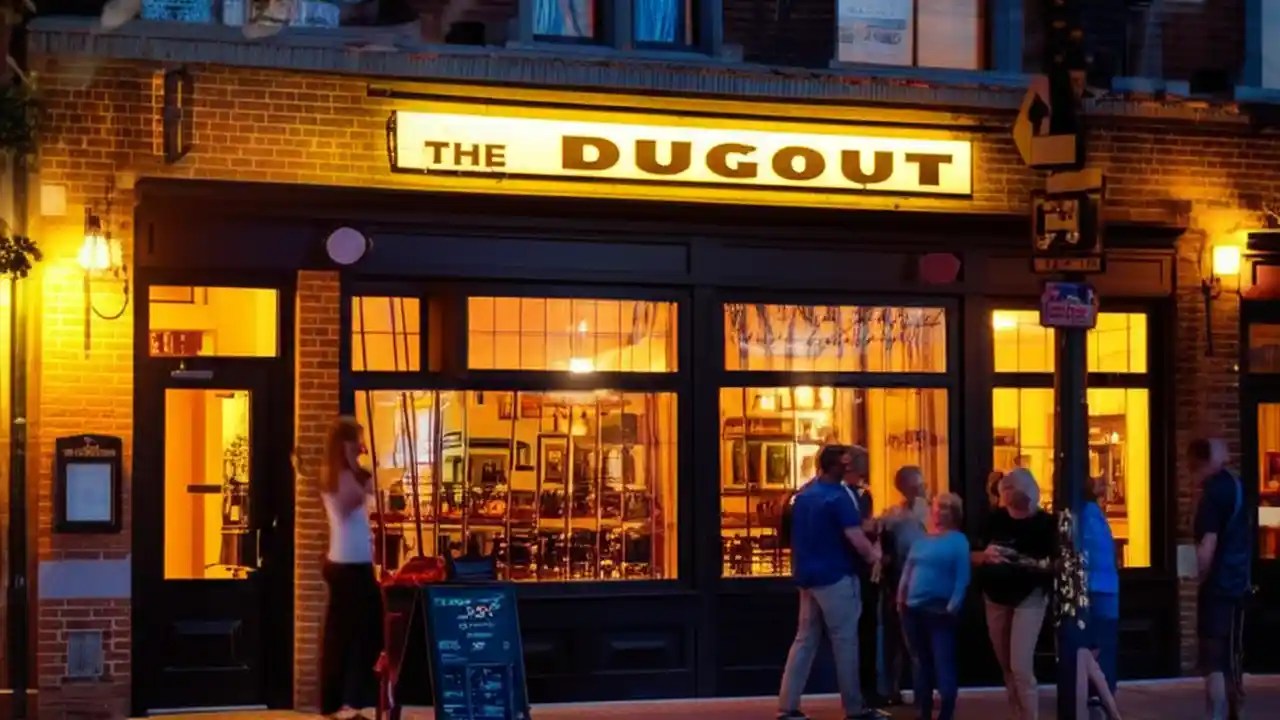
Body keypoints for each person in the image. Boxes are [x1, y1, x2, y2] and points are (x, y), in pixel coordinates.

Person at [778, 444, 883, 720]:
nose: (850, 468)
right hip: (836, 577)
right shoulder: (838, 497)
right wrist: (875, 558)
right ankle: (854, 707)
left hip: (807, 576)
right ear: (837, 466)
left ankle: (787, 705)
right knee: (845, 641)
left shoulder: (803, 496)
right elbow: (855, 538)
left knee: (804, 639)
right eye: (845, 463)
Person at [972, 468, 1055, 720]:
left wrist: (1021, 560)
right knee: (1006, 666)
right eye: (1007, 494)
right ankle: (1016, 713)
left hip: (1029, 595)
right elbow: (973, 554)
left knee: (1020, 665)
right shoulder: (993, 520)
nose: (1012, 501)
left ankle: (1030, 715)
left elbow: (1053, 564)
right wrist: (985, 556)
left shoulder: (1046, 524)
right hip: (995, 595)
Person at [320, 416, 383, 720]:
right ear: (345, 444)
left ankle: (344, 703)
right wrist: (366, 477)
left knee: (350, 635)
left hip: (352, 564)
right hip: (348, 567)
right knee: (356, 636)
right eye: (356, 440)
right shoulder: (340, 476)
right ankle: (346, 703)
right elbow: (350, 502)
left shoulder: (347, 474)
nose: (361, 446)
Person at [1190, 438, 1252, 720]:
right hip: (1238, 584)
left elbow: (1207, 547)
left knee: (1213, 661)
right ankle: (1236, 711)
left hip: (1217, 587)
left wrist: (1197, 573)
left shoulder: (1212, 494)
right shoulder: (1236, 487)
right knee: (1231, 658)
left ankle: (1215, 715)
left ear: (1201, 464)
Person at [897, 492, 970, 720]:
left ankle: (946, 710)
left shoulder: (959, 541)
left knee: (942, 660)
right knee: (920, 662)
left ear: (955, 514)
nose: (939, 513)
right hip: (912, 609)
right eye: (937, 508)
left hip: (940, 610)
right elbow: (908, 570)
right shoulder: (921, 540)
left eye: (945, 509)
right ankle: (924, 710)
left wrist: (953, 606)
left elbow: (962, 577)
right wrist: (901, 598)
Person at [878, 466, 931, 706]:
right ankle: (892, 690)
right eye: (917, 485)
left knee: (923, 641)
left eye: (922, 485)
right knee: (897, 640)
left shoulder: (931, 512)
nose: (922, 489)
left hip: (928, 584)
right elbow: (882, 530)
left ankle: (924, 693)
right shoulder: (895, 516)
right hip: (900, 582)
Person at [842, 449, 889, 716]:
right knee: (860, 632)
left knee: (864, 630)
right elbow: (859, 530)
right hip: (856, 570)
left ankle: (865, 693)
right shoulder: (852, 496)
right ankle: (862, 695)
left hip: (861, 570)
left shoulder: (861, 494)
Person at [1077, 471, 1123, 720]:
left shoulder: (1080, 515)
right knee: (1103, 646)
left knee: (1091, 647)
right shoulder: (1095, 516)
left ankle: (1097, 700)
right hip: (1107, 588)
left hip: (1091, 589)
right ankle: (1104, 700)